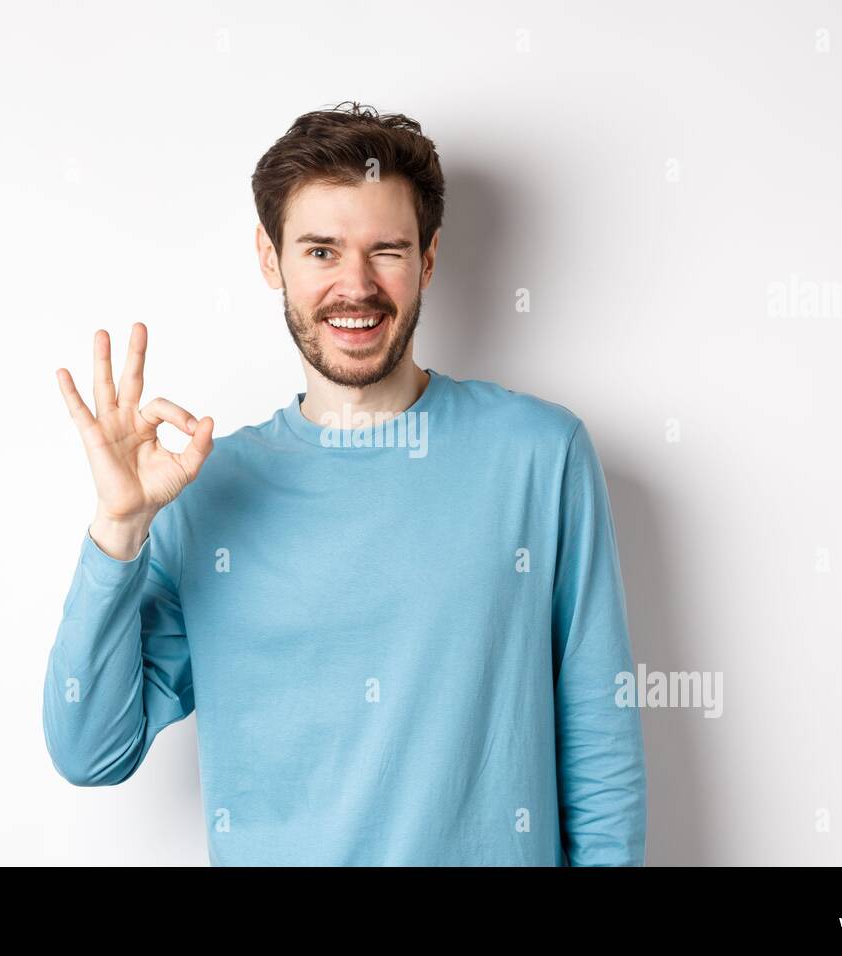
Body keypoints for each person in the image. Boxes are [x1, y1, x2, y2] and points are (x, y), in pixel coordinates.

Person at [42, 101, 646, 866]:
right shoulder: (206, 492)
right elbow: (90, 750)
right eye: (321, 251)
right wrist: (119, 530)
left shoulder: (538, 454)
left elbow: (600, 746)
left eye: (386, 250)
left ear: (428, 260)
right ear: (272, 260)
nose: (355, 286)